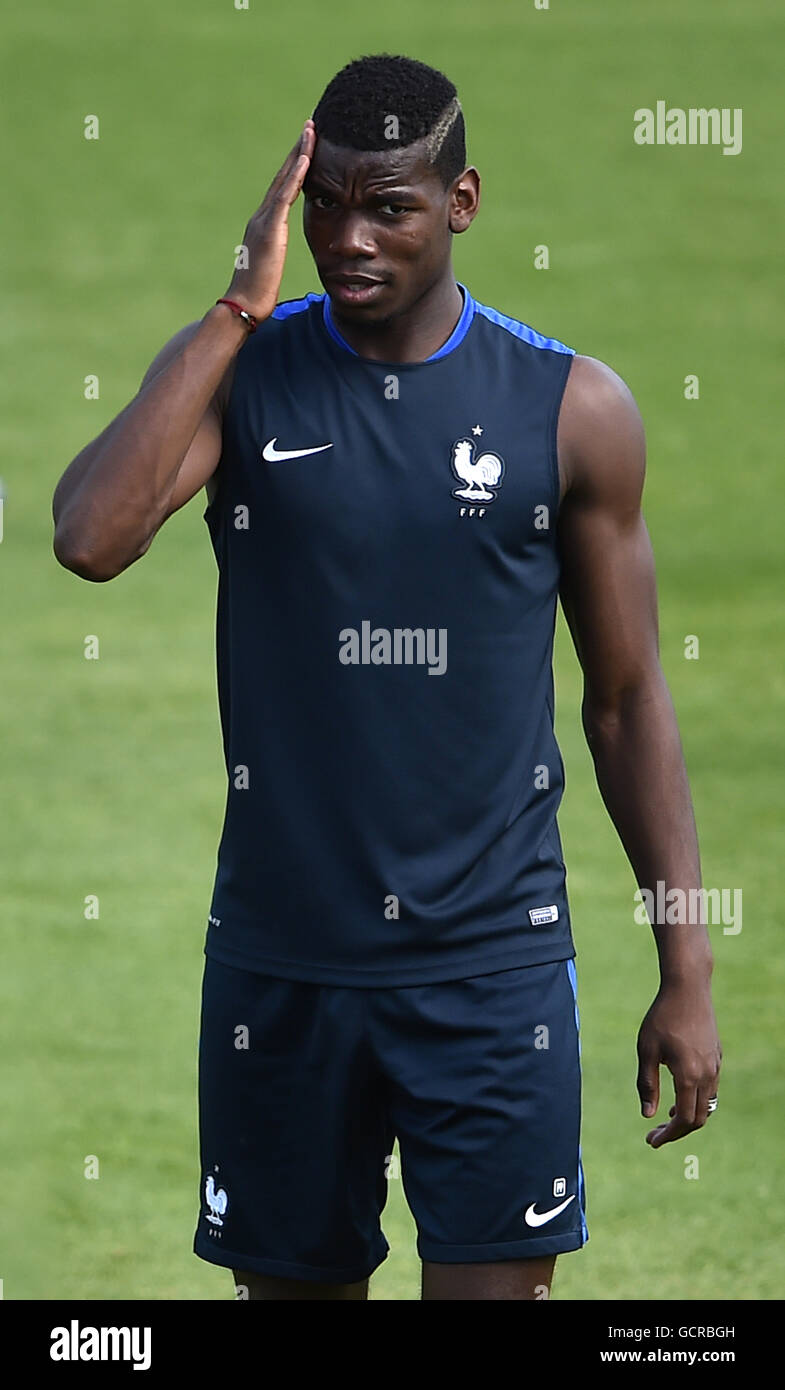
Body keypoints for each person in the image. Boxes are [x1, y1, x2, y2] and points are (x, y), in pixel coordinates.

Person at [52, 53, 722, 1301]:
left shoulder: (568, 409)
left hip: (490, 970)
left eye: (390, 207)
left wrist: (683, 969)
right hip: (282, 962)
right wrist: (234, 311)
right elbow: (90, 537)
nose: (349, 239)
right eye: (325, 206)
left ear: (461, 202)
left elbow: (627, 698)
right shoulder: (244, 368)